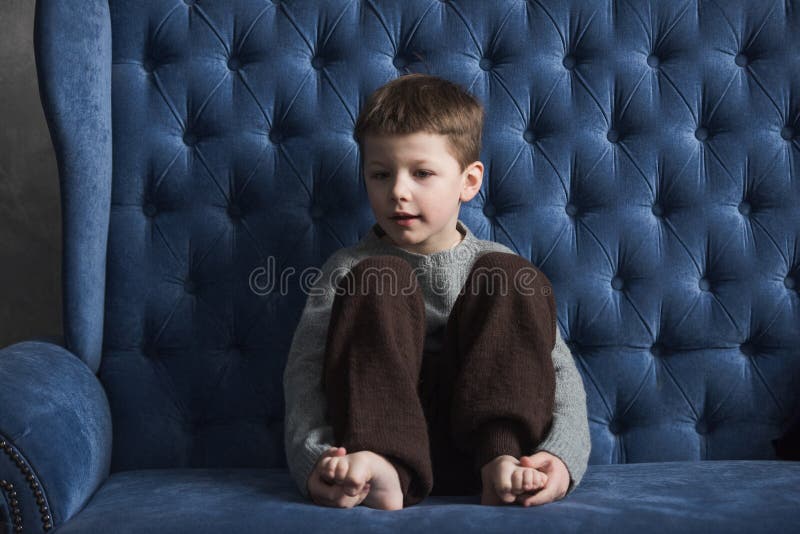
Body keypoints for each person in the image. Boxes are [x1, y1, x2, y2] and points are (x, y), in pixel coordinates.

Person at [283, 73, 590, 510]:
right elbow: (304, 378)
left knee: (508, 274)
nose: (398, 192)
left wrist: (560, 457)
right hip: (374, 448)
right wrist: (312, 461)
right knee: (377, 276)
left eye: (422, 173)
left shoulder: (500, 270)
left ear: (468, 181)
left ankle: (500, 464)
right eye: (380, 174)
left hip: (484, 450)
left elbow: (559, 375)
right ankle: (384, 467)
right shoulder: (348, 269)